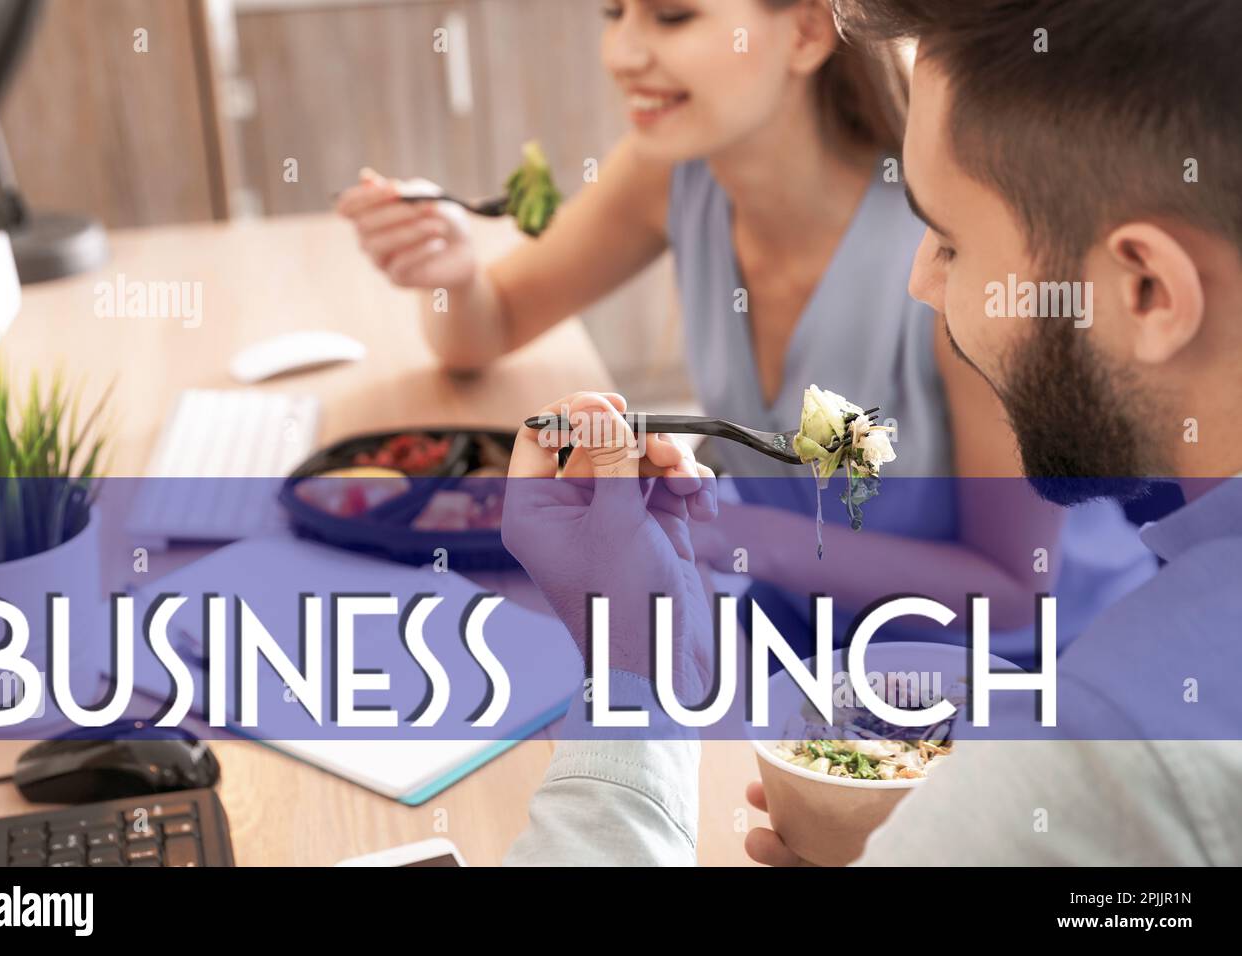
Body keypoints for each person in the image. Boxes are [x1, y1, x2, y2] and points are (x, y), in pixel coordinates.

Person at [503, 0, 1242, 866]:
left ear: (1148, 292)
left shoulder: (1107, 747)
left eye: (952, 242)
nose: (920, 281)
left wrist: (634, 668)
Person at [337, 0, 1152, 662]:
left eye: (671, 16)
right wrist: (449, 276)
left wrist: (732, 535)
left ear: (805, 31)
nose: (623, 52)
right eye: (613, 13)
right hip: (806, 635)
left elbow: (1012, 585)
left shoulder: (952, 260)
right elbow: (486, 328)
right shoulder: (673, 172)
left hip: (1014, 665)